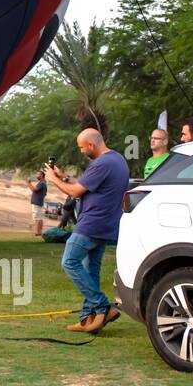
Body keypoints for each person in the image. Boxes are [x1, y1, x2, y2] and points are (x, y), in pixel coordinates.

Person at [45, 128, 130, 333]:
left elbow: (75, 192)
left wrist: (52, 179)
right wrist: (62, 178)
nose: (82, 152)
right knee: (90, 270)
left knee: (70, 261)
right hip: (107, 225)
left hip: (92, 223)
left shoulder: (102, 163)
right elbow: (84, 187)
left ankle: (102, 306)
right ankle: (88, 319)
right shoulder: (118, 160)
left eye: (82, 148)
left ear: (91, 145)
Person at [29, 170, 47, 237]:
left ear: (41, 175)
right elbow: (45, 193)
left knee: (37, 218)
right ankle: (39, 232)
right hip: (38, 202)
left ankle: (38, 232)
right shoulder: (43, 183)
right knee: (39, 217)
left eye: (38, 174)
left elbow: (34, 190)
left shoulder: (42, 183)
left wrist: (29, 183)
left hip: (37, 203)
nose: (36, 175)